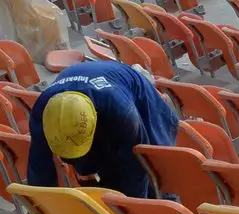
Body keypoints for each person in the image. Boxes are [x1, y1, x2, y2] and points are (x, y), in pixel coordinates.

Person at [27, 61, 179, 199]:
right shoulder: (42, 112)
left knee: (156, 166)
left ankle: (168, 207)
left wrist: (134, 211)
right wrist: (42, 205)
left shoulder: (121, 111)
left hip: (131, 90)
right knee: (104, 169)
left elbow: (136, 164)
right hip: (90, 94)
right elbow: (39, 167)